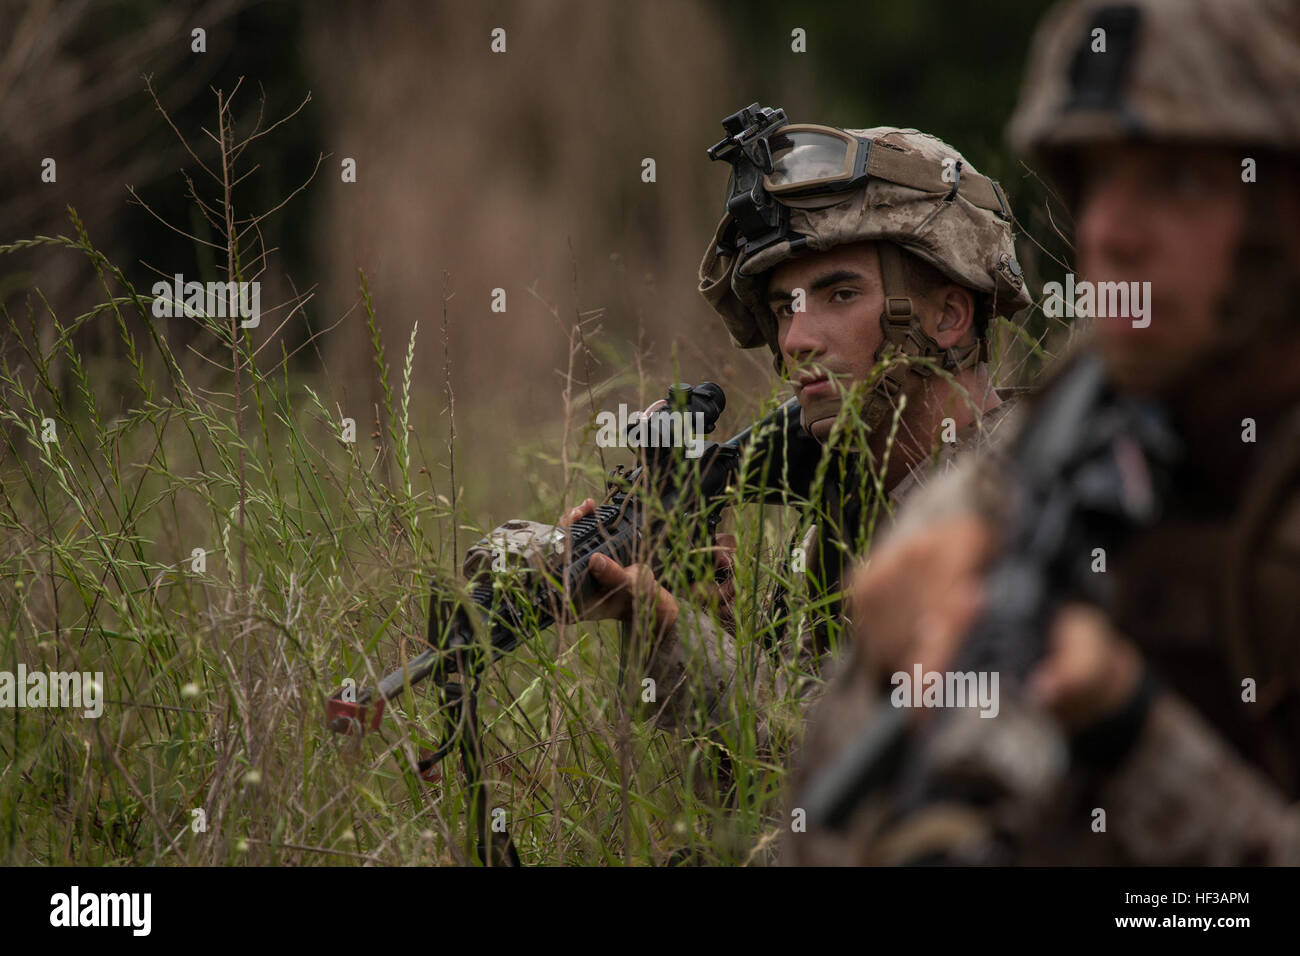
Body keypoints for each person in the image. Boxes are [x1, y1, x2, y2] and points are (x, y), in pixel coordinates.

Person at [786, 0, 1300, 866]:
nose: (1109, 232)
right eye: (1094, 184)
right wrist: (880, 681)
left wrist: (1131, 731)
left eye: (1176, 182)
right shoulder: (1030, 472)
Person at [571, 112, 1032, 774]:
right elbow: (762, 792)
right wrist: (704, 618)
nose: (796, 340)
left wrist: (674, 633)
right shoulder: (851, 510)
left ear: (949, 316)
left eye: (838, 293)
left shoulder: (1019, 501)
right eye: (785, 306)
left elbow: (881, 778)